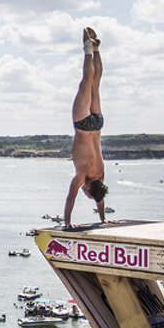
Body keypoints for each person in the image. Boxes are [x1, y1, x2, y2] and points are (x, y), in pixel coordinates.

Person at [64, 27, 109, 229]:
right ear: (89, 187)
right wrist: (68, 223)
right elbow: (70, 199)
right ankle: (88, 49)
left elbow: (100, 197)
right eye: (87, 193)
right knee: (87, 82)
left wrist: (103, 217)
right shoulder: (82, 175)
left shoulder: (100, 174)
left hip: (97, 125)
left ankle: (96, 50)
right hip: (83, 125)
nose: (85, 192)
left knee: (96, 83)